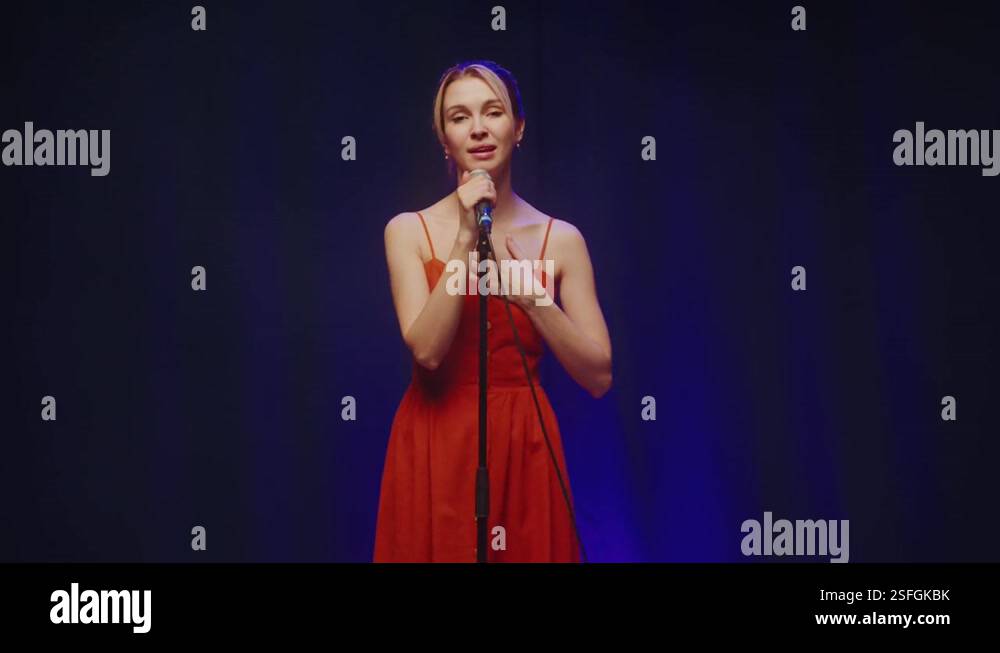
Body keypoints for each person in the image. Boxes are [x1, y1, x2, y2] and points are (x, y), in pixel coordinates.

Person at [374, 60, 612, 562]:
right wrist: (464, 237)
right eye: (459, 117)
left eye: (493, 112)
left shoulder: (561, 240)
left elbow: (598, 376)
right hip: (436, 438)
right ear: (443, 137)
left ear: (518, 127)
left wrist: (534, 301)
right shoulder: (407, 230)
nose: (478, 128)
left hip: (523, 443)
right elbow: (429, 352)